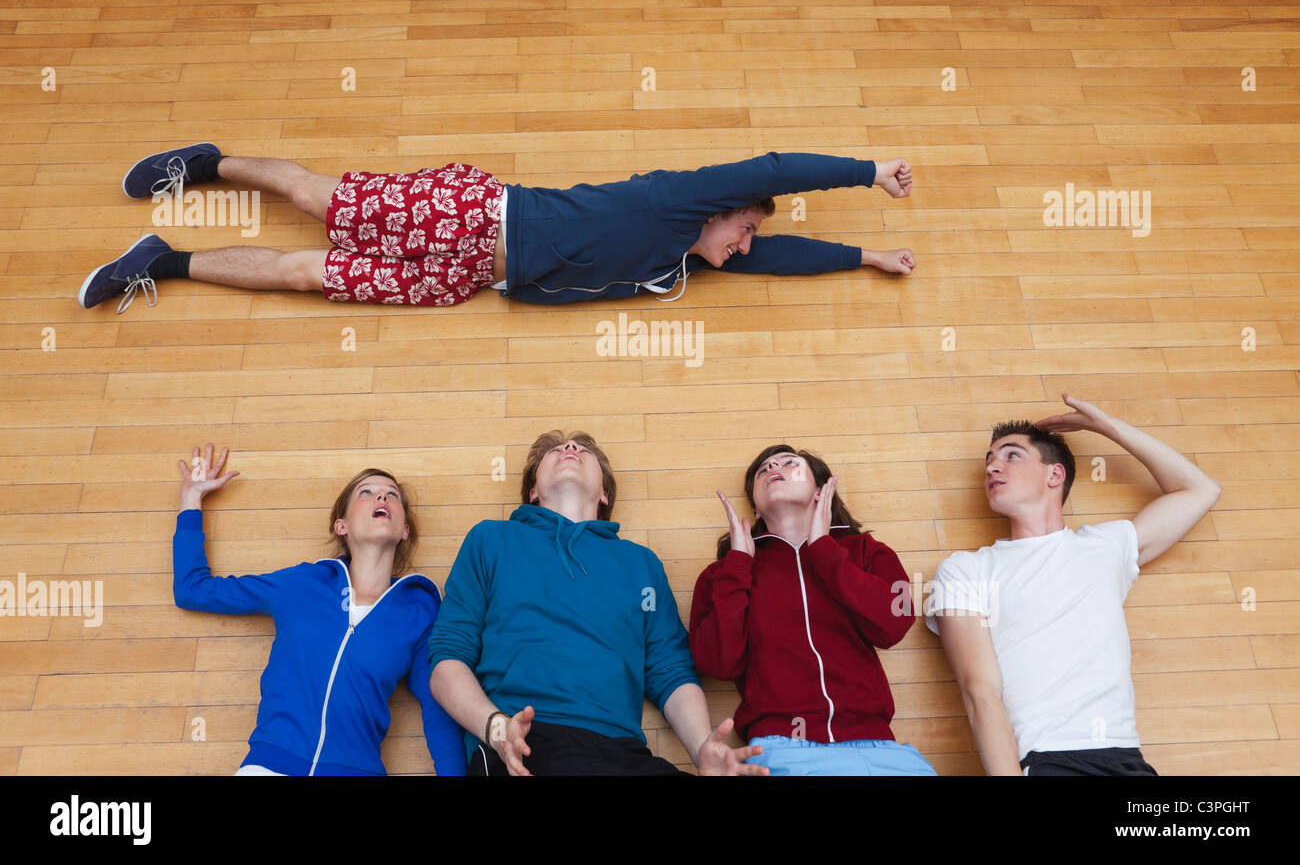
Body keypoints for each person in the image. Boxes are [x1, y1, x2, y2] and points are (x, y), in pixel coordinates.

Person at [79, 143, 916, 312]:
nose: (744, 245)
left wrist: (867, 257)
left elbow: (782, 258)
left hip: (468, 279)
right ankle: (213, 163)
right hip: (476, 213)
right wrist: (867, 173)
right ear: (722, 211)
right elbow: (774, 173)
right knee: (322, 203)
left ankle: (168, 262)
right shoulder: (678, 201)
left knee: (310, 274)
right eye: (743, 231)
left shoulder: (683, 264)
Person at [427, 430, 767, 776]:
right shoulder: (491, 539)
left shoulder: (641, 564)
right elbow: (446, 662)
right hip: (525, 743)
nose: (571, 448)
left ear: (604, 493)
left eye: (582, 449)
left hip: (624, 754)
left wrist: (701, 751)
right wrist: (497, 730)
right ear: (532, 491)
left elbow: (670, 670)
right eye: (557, 449)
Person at [926, 393, 1222, 776]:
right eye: (989, 461)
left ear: (1055, 475)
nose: (993, 467)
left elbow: (1200, 490)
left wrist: (1107, 427)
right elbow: (979, 693)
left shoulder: (1106, 547)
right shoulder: (965, 570)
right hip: (1047, 760)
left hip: (1126, 760)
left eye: (1011, 455)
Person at [172, 443, 467, 776]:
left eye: (392, 495)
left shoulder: (419, 610)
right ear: (341, 526)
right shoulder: (301, 584)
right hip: (271, 767)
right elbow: (192, 590)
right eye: (366, 492)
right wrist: (190, 502)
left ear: (404, 530)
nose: (382, 498)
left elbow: (439, 707)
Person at [690, 444, 936, 776]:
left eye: (789, 463)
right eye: (764, 469)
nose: (774, 465)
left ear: (820, 492)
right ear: (757, 511)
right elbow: (717, 662)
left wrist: (823, 551)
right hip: (780, 748)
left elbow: (894, 623)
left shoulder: (867, 552)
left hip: (879, 747)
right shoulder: (724, 574)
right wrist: (737, 565)